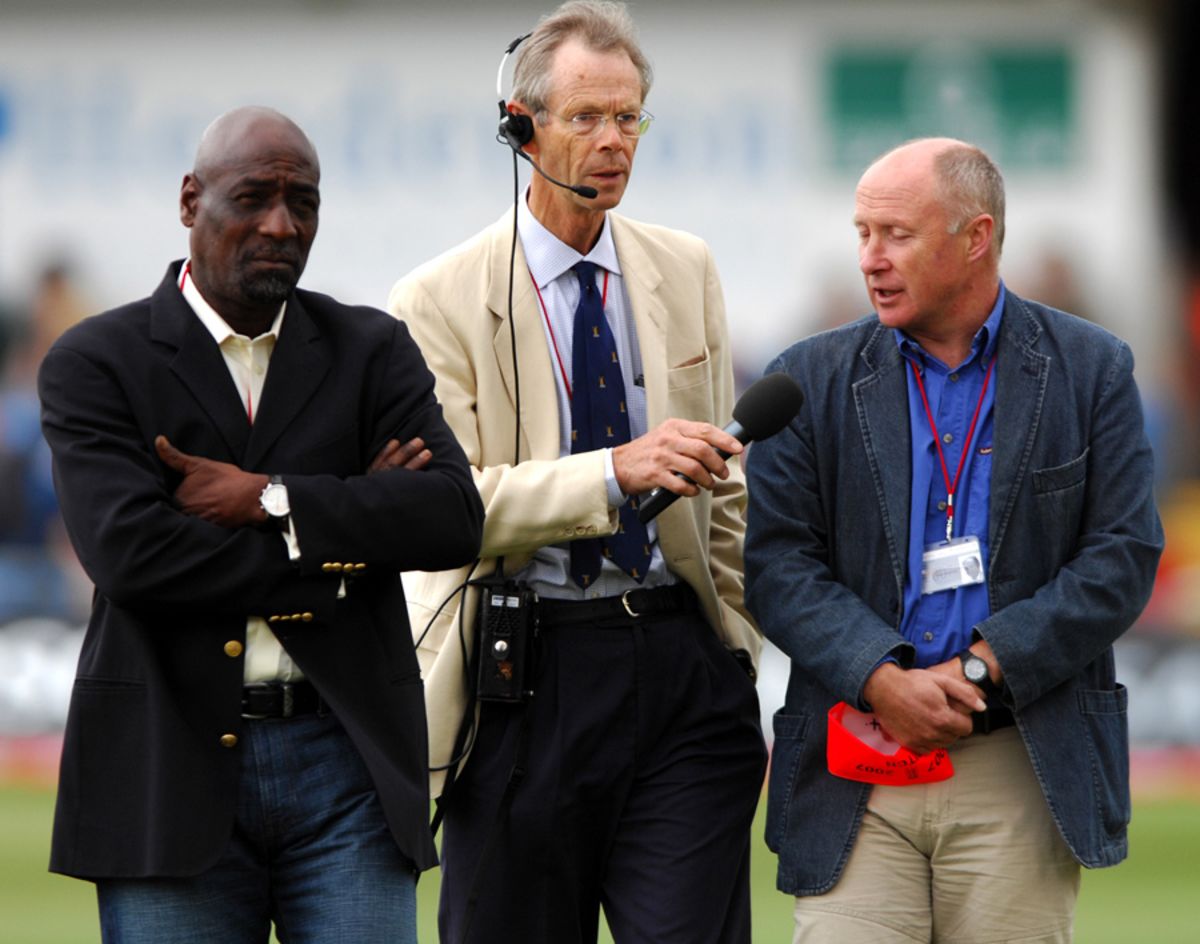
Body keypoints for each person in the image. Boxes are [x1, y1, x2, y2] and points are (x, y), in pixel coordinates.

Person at [37, 106, 484, 944]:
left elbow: (452, 518)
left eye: (303, 202)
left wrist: (270, 499)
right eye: (254, 198)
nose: (282, 224)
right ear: (189, 201)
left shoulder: (370, 350)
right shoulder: (98, 363)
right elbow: (134, 560)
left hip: (348, 758)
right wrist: (343, 550)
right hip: (166, 770)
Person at [387, 3, 766, 941]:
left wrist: (736, 652)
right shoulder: (434, 299)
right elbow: (444, 507)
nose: (613, 142)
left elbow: (725, 498)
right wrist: (612, 474)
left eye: (629, 118)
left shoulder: (688, 267)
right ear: (521, 126)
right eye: (587, 117)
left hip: (683, 672)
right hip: (522, 678)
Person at [744, 137, 1164, 944]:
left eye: (895, 234)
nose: (871, 258)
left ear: (975, 237)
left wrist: (982, 667)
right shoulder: (808, 377)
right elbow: (776, 566)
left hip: (1019, 757)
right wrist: (880, 677)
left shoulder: (1091, 368)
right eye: (862, 233)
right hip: (857, 760)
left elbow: (1121, 558)